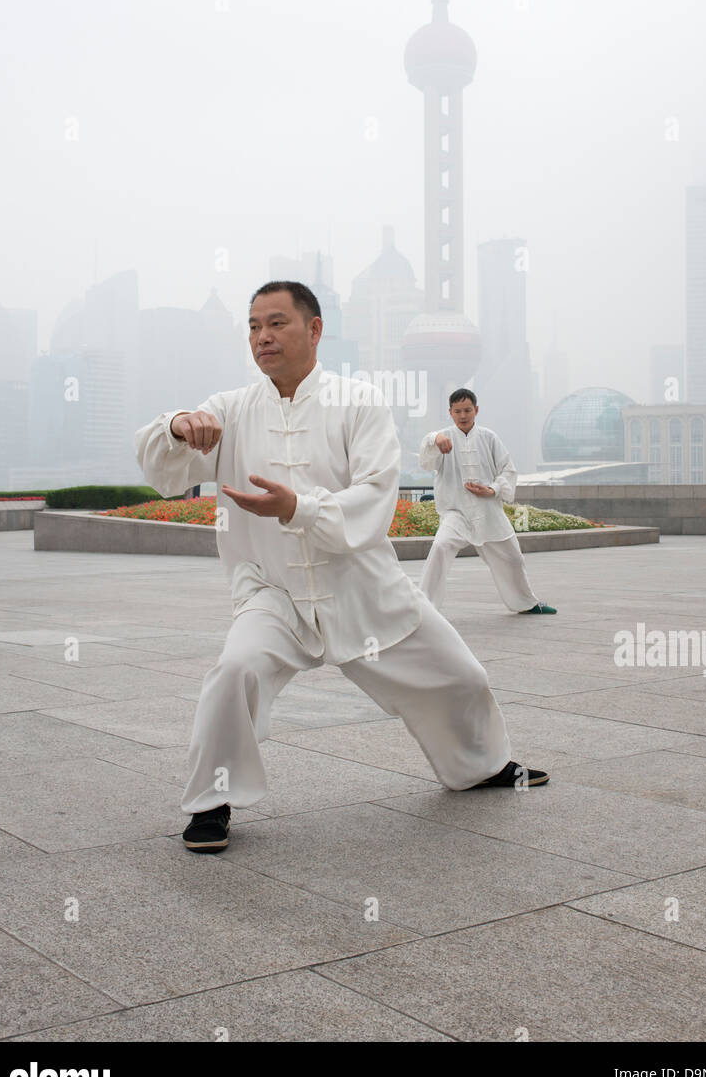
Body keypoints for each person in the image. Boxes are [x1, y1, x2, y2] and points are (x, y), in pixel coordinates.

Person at [134, 282, 550, 853]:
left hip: (361, 584)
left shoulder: (359, 402)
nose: (263, 337)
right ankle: (210, 804)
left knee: (463, 675)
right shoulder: (230, 408)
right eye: (254, 326)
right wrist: (179, 424)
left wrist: (298, 508)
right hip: (272, 591)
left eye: (276, 324)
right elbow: (165, 467)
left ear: (315, 329)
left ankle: (484, 765)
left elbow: (377, 495)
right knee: (236, 671)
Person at [419, 388, 557, 616]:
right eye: (457, 411)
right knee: (440, 546)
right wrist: (434, 439)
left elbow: (508, 470)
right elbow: (426, 459)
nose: (463, 415)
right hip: (456, 513)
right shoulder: (442, 439)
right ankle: (423, 608)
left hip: (488, 511)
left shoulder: (489, 437)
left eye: (467, 410)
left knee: (513, 558)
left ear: (476, 410)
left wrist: (492, 489)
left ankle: (527, 602)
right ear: (450, 413)